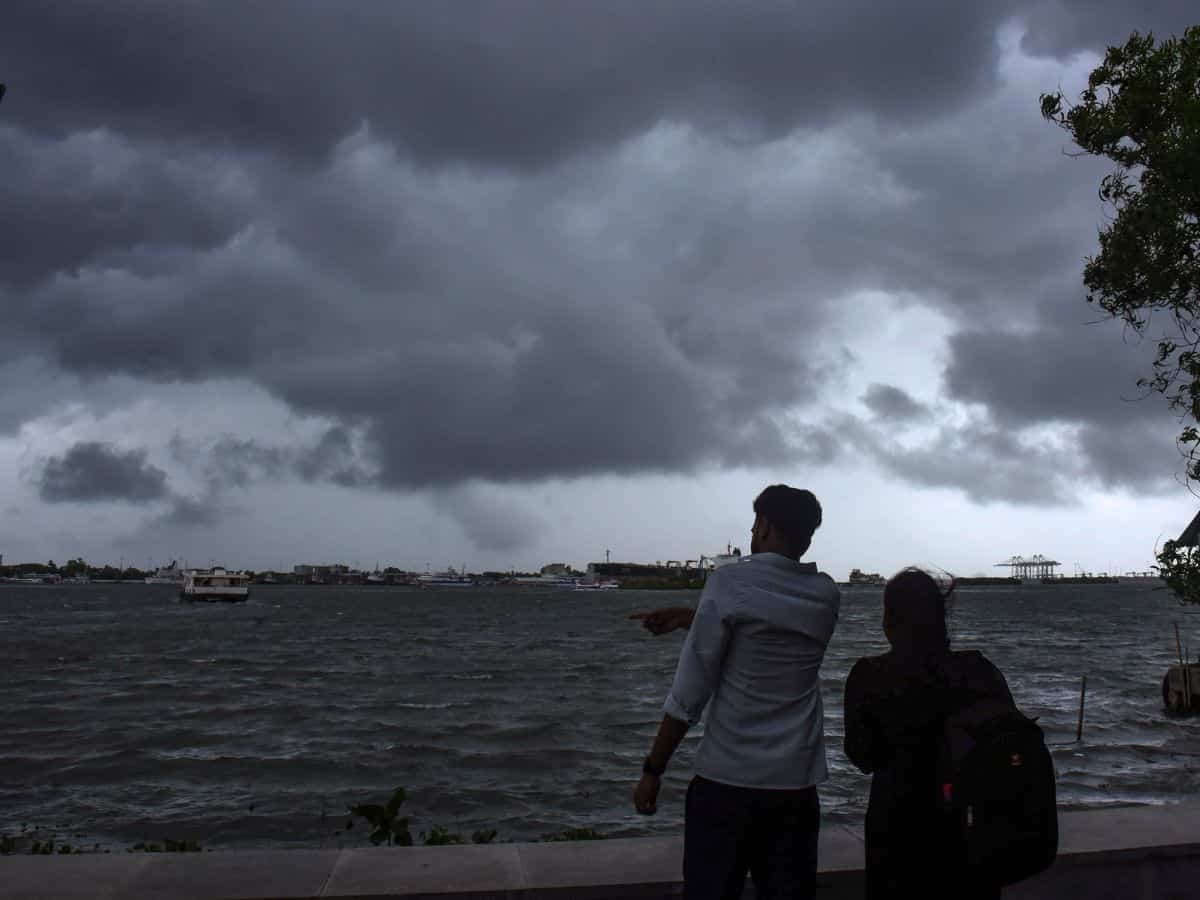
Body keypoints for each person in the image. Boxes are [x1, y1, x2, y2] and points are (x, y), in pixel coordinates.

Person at [631, 484, 841, 900]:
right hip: (796, 789)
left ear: (763, 526)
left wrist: (653, 770)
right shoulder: (826, 594)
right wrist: (693, 618)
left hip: (727, 784)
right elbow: (765, 635)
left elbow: (690, 692)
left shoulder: (729, 582)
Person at [843, 568, 1013, 900]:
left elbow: (862, 756)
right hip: (962, 831)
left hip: (894, 833)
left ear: (890, 620)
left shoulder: (869, 676)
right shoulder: (978, 671)